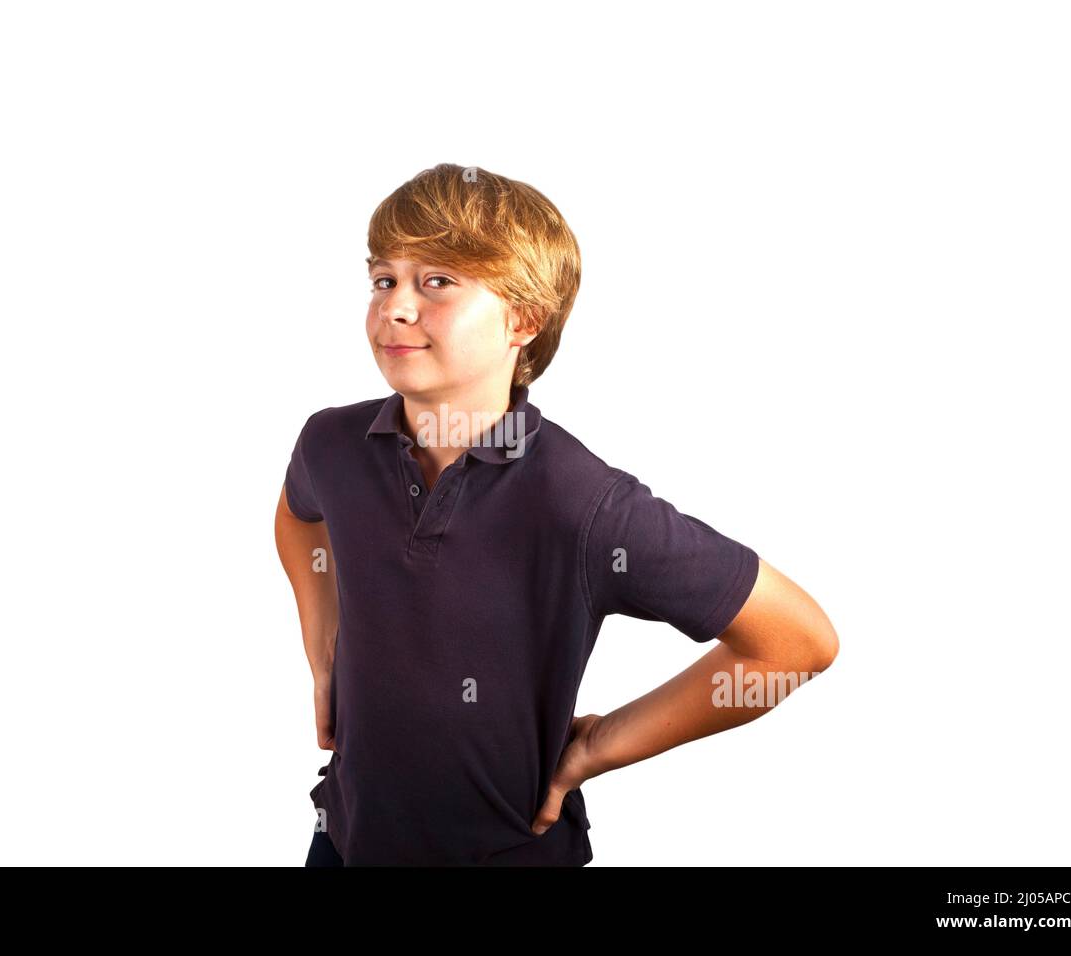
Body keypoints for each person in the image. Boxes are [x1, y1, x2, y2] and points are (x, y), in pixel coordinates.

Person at [274, 163, 839, 866]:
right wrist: (321, 646)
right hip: (344, 841)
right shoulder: (331, 444)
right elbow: (299, 517)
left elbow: (795, 644)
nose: (396, 306)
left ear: (523, 320)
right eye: (385, 279)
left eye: (437, 282)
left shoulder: (582, 504)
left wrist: (603, 745)